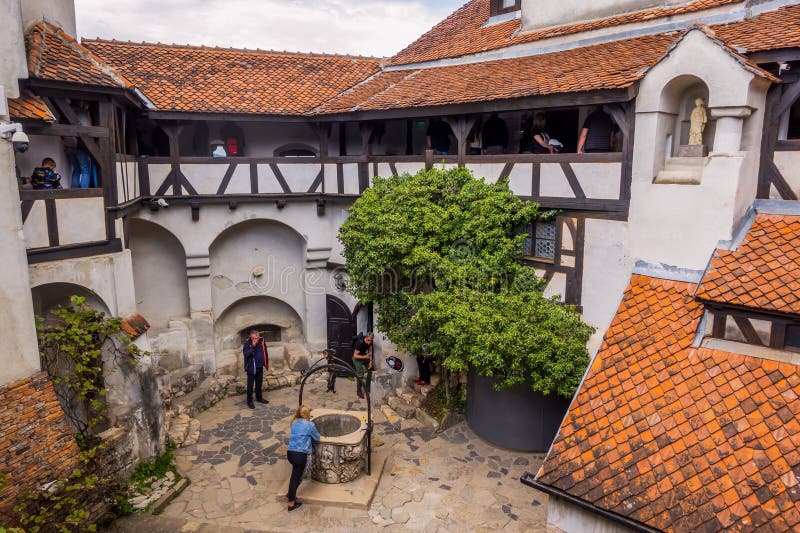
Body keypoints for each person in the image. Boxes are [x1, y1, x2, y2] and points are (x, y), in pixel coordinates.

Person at [286, 405, 320, 512]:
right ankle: (291, 503)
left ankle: (291, 493)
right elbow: (317, 437)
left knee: (295, 475)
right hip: (300, 454)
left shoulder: (294, 422)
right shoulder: (310, 425)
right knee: (296, 477)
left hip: (290, 453)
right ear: (307, 414)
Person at [243, 329, 269, 409]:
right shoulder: (247, 343)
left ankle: (259, 398)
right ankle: (249, 401)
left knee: (259, 383)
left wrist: (266, 362)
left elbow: (265, 351)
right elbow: (246, 354)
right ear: (251, 337)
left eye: (258, 337)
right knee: (250, 385)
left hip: (260, 366)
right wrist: (253, 346)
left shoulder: (262, 341)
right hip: (251, 367)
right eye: (255, 338)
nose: (257, 339)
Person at [353, 332, 374, 400]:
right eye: (368, 340)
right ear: (366, 337)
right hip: (357, 358)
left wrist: (370, 361)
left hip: (365, 357)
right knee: (360, 374)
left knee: (370, 370)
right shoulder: (360, 343)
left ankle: (367, 388)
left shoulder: (370, 342)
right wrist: (365, 356)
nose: (369, 342)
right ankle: (359, 391)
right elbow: (355, 355)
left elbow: (370, 351)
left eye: (371, 340)